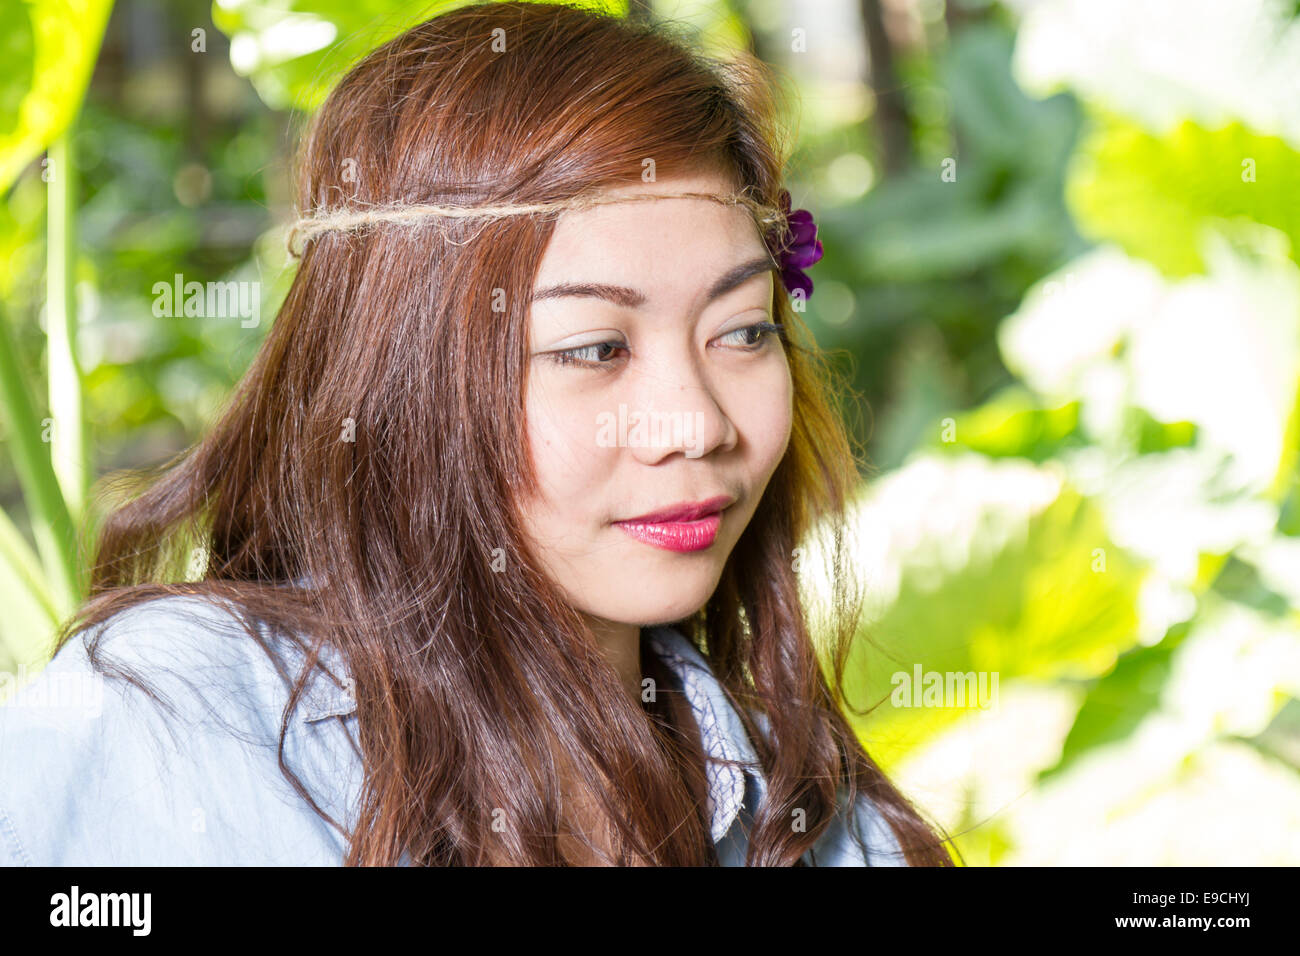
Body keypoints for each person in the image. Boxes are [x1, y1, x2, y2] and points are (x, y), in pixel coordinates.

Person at [0, 0, 951, 866]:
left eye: (743, 331)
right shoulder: (178, 723)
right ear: (406, 376)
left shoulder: (818, 821)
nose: (696, 425)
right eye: (594, 349)